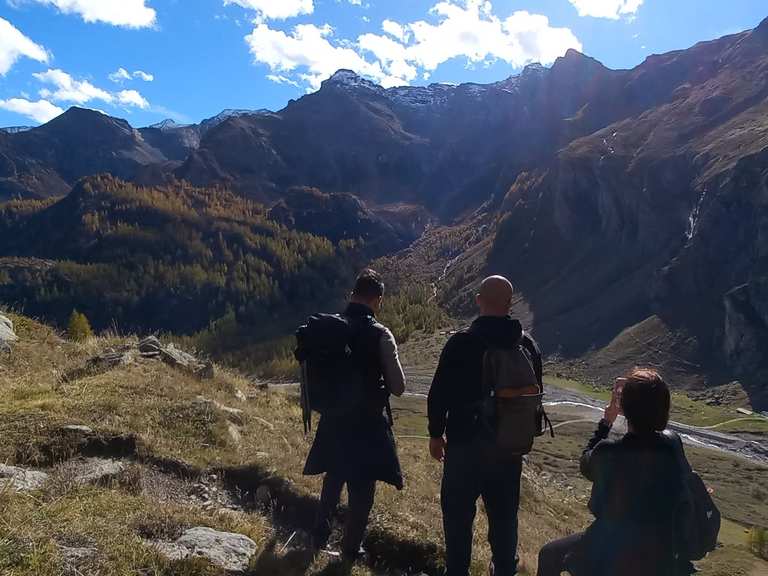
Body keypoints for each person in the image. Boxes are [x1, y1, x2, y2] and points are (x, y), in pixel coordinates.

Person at [428, 275, 542, 576]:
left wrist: (435, 434)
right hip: (508, 449)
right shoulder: (527, 346)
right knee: (505, 519)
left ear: (479, 300)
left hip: (465, 445)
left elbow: (439, 393)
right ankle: (504, 569)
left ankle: (457, 571)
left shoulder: (461, 343)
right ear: (509, 304)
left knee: (457, 518)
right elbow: (535, 397)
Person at [536, 368, 690, 576]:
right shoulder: (672, 445)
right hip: (661, 552)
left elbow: (586, 463)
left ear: (625, 407)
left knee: (549, 554)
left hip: (612, 548)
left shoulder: (609, 451)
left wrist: (606, 421)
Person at [303, 269, 406, 561]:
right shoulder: (380, 334)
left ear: (353, 295)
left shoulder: (332, 328)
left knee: (333, 477)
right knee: (362, 488)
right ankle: (350, 549)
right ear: (378, 300)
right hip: (367, 423)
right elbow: (398, 387)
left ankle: (318, 537)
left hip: (334, 417)